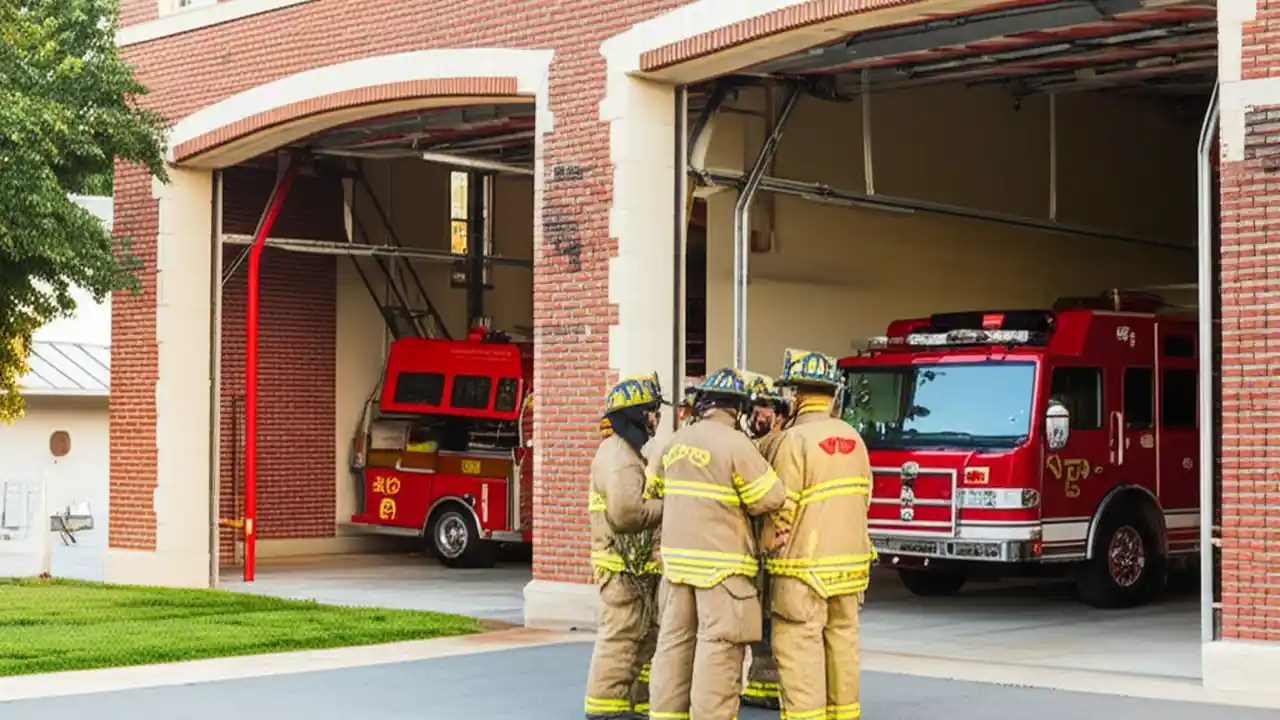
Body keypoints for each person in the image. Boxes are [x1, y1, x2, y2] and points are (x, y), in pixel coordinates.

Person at [643, 367, 794, 720]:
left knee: (674, 644)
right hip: (722, 570)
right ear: (738, 408)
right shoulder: (735, 444)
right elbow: (771, 497)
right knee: (719, 648)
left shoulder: (676, 442)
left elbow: (656, 491)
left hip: (677, 568)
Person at [763, 348, 876, 720]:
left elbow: (782, 507)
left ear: (795, 396)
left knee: (799, 646)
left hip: (803, 570)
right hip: (851, 566)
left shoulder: (793, 441)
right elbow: (866, 498)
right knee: (843, 643)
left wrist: (768, 548)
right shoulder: (854, 438)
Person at [584, 373, 666, 720]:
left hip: (632, 569)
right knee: (620, 636)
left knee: (642, 636)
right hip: (620, 570)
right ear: (633, 415)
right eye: (649, 412)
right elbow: (627, 514)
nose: (654, 420)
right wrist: (667, 504)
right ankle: (606, 709)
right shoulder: (620, 458)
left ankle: (634, 702)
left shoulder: (625, 452)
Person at [739, 372, 791, 711]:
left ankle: (774, 686)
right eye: (754, 407)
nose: (758, 414)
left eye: (765, 407)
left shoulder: (784, 445)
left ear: (780, 413)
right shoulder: (745, 446)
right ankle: (760, 683)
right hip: (750, 546)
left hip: (776, 546)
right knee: (755, 619)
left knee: (775, 618)